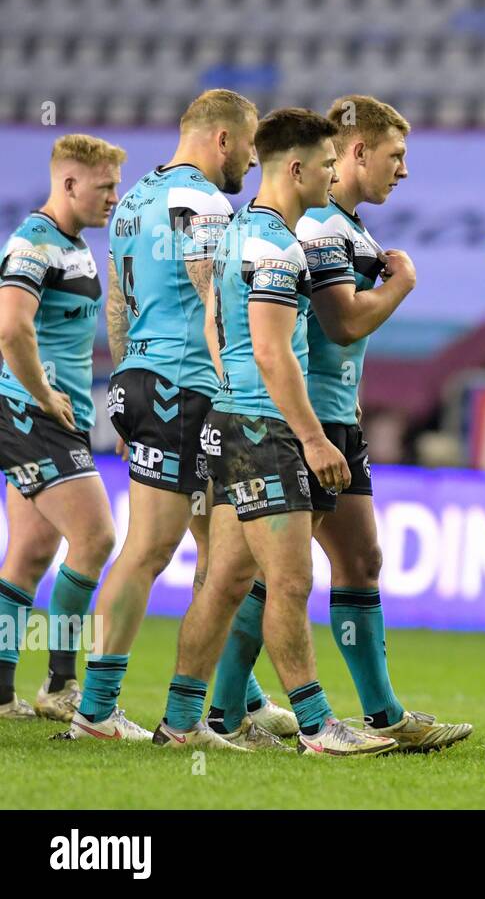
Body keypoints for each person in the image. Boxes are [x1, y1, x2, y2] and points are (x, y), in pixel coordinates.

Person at [203, 94, 473, 752]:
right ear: (355, 153)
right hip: (304, 422)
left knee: (355, 559)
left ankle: (373, 714)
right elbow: (341, 322)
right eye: (395, 156)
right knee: (274, 575)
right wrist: (400, 286)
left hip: (331, 419)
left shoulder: (346, 227)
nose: (402, 170)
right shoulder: (318, 229)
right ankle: (228, 713)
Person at [154, 108, 394, 755]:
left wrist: (231, 394)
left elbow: (214, 325)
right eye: (323, 164)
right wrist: (313, 438)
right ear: (296, 168)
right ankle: (317, 727)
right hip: (265, 429)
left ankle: (181, 723)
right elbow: (273, 352)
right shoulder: (276, 245)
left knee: (227, 582)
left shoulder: (234, 233)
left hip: (232, 421)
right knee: (289, 582)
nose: (329, 174)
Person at [61, 90, 297, 743]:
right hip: (186, 389)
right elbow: (211, 288)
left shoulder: (135, 198)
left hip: (141, 378)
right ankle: (98, 710)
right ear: (222, 138)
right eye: (250, 144)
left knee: (219, 556)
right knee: (149, 549)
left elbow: (117, 300)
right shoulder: (201, 199)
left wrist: (128, 371)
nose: (252, 160)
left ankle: (238, 702)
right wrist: (233, 380)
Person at [0, 136, 123, 725]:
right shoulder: (31, 242)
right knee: (96, 538)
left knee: (30, 552)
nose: (113, 198)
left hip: (53, 416)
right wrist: (46, 396)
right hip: (33, 415)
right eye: (104, 187)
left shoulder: (76, 247)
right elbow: (10, 330)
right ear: (69, 184)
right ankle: (61, 684)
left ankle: (1, 695)